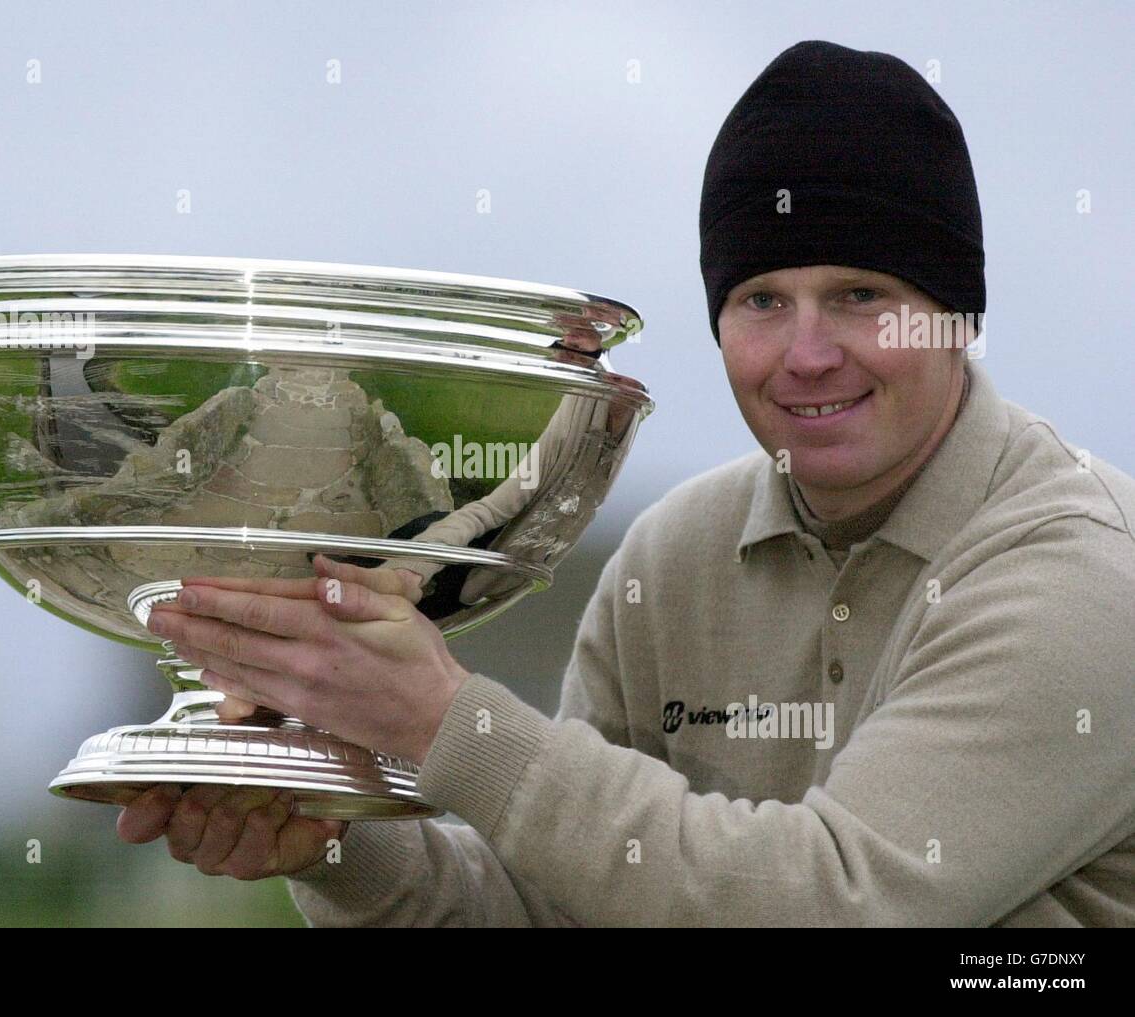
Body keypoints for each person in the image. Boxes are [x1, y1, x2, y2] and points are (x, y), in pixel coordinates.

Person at [117, 40, 1135, 926]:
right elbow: (561, 908)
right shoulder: (674, 554)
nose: (807, 353)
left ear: (954, 317)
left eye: (859, 295)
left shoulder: (1081, 581)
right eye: (761, 299)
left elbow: (829, 902)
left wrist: (438, 720)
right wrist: (340, 842)